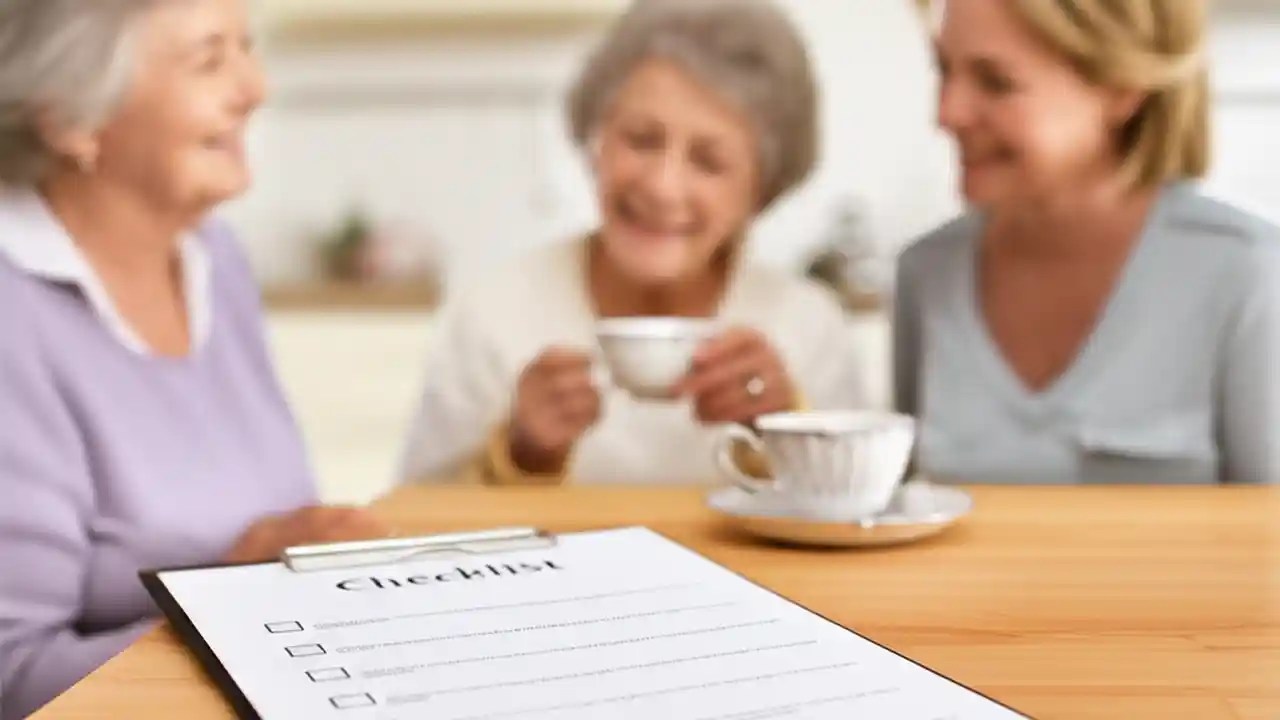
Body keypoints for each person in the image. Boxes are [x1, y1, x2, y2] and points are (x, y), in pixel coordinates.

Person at [0, 0, 387, 715]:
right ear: (68, 119)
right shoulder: (12, 309)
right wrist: (233, 601)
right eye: (209, 59)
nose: (255, 88)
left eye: (247, 47)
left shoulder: (215, 256)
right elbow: (13, 678)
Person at [399, 0, 865, 485]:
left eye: (708, 161)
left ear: (762, 189)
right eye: (641, 140)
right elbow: (409, 523)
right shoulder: (492, 315)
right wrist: (520, 454)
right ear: (594, 140)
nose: (663, 187)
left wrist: (785, 429)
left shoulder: (809, 330)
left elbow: (858, 525)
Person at [895, 0, 1280, 484]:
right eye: (943, 69)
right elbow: (902, 519)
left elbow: (1270, 542)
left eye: (996, 82)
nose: (947, 113)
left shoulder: (1247, 274)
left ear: (1121, 89)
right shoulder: (926, 273)